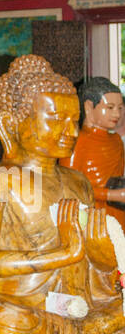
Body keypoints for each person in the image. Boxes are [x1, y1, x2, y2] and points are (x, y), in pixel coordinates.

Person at [0, 55, 125, 334]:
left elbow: (93, 268)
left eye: (74, 120)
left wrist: (99, 255)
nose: (69, 131)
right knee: (4, 326)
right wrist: (61, 254)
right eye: (54, 118)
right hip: (21, 303)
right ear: (11, 124)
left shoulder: (76, 182)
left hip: (73, 303)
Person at [64, 76, 125, 229]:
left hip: (118, 212)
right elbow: (69, 187)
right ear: (89, 107)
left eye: (120, 108)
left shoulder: (117, 140)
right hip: (90, 216)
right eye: (110, 107)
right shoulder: (76, 142)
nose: (117, 114)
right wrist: (109, 195)